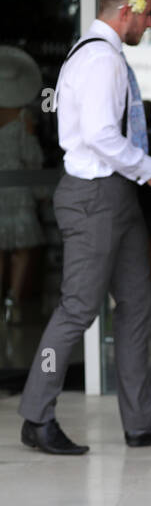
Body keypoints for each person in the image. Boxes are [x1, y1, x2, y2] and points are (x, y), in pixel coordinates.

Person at [17, 0, 151, 455]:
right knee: (77, 309)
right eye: (148, 12)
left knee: (137, 303)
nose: (150, 21)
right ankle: (36, 416)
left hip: (114, 195)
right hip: (94, 197)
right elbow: (99, 134)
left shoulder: (106, 54)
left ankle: (140, 421)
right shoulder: (100, 58)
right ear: (128, 11)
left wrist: (144, 171)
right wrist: (149, 168)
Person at [0, 46, 45, 327]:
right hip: (17, 189)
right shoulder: (23, 118)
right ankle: (13, 301)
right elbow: (33, 158)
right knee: (21, 250)